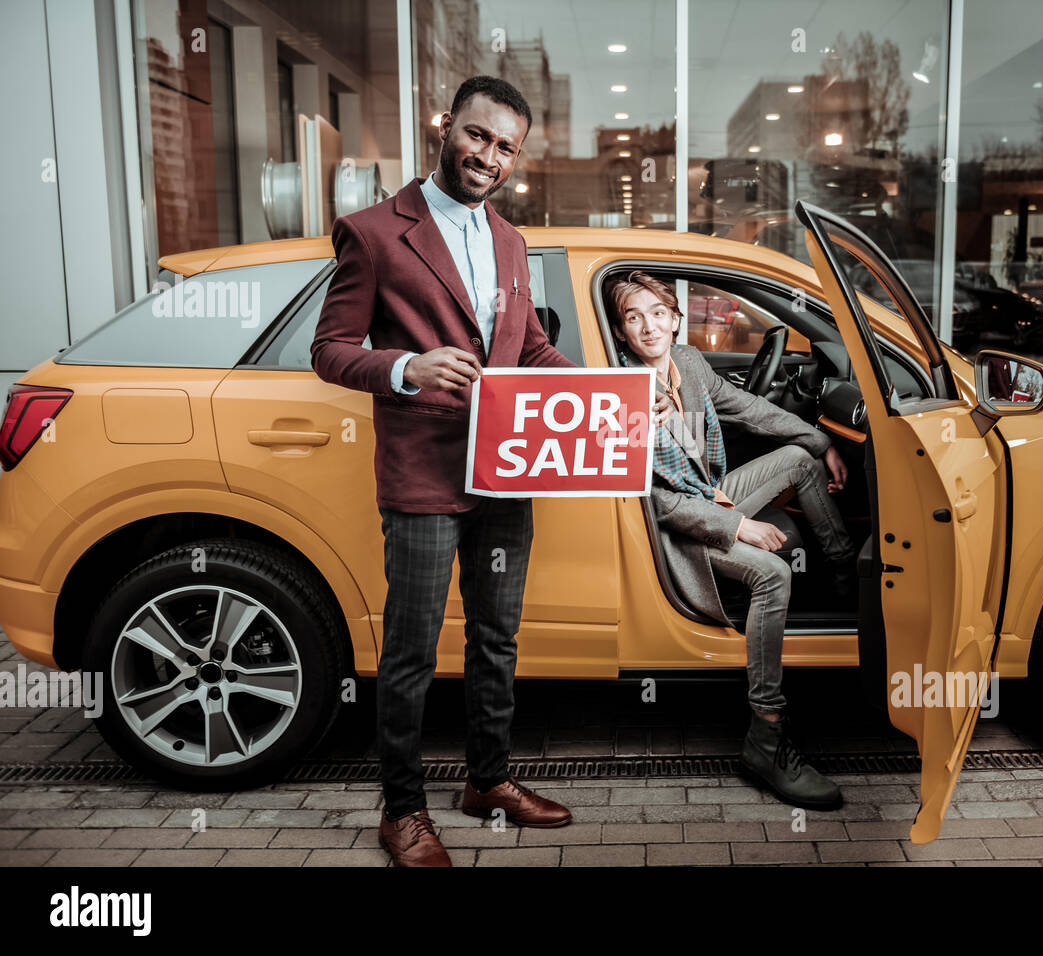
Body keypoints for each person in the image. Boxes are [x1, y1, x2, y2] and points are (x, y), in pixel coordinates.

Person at [311, 76, 577, 867]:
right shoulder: (373, 232)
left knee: (497, 638)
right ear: (446, 127)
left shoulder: (511, 242)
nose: (487, 156)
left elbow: (525, 348)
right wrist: (407, 370)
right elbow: (330, 350)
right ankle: (402, 811)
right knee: (412, 650)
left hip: (503, 469)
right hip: (424, 476)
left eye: (505, 147)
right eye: (477, 135)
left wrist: (613, 397)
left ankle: (487, 782)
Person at [608, 271, 857, 809]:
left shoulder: (690, 364)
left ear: (676, 319)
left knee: (797, 460)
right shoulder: (619, 393)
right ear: (622, 331)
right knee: (773, 573)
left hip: (711, 494)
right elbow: (656, 503)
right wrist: (737, 526)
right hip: (681, 529)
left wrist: (821, 441)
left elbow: (750, 410)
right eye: (633, 317)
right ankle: (766, 734)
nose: (648, 327)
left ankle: (844, 576)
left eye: (657, 313)